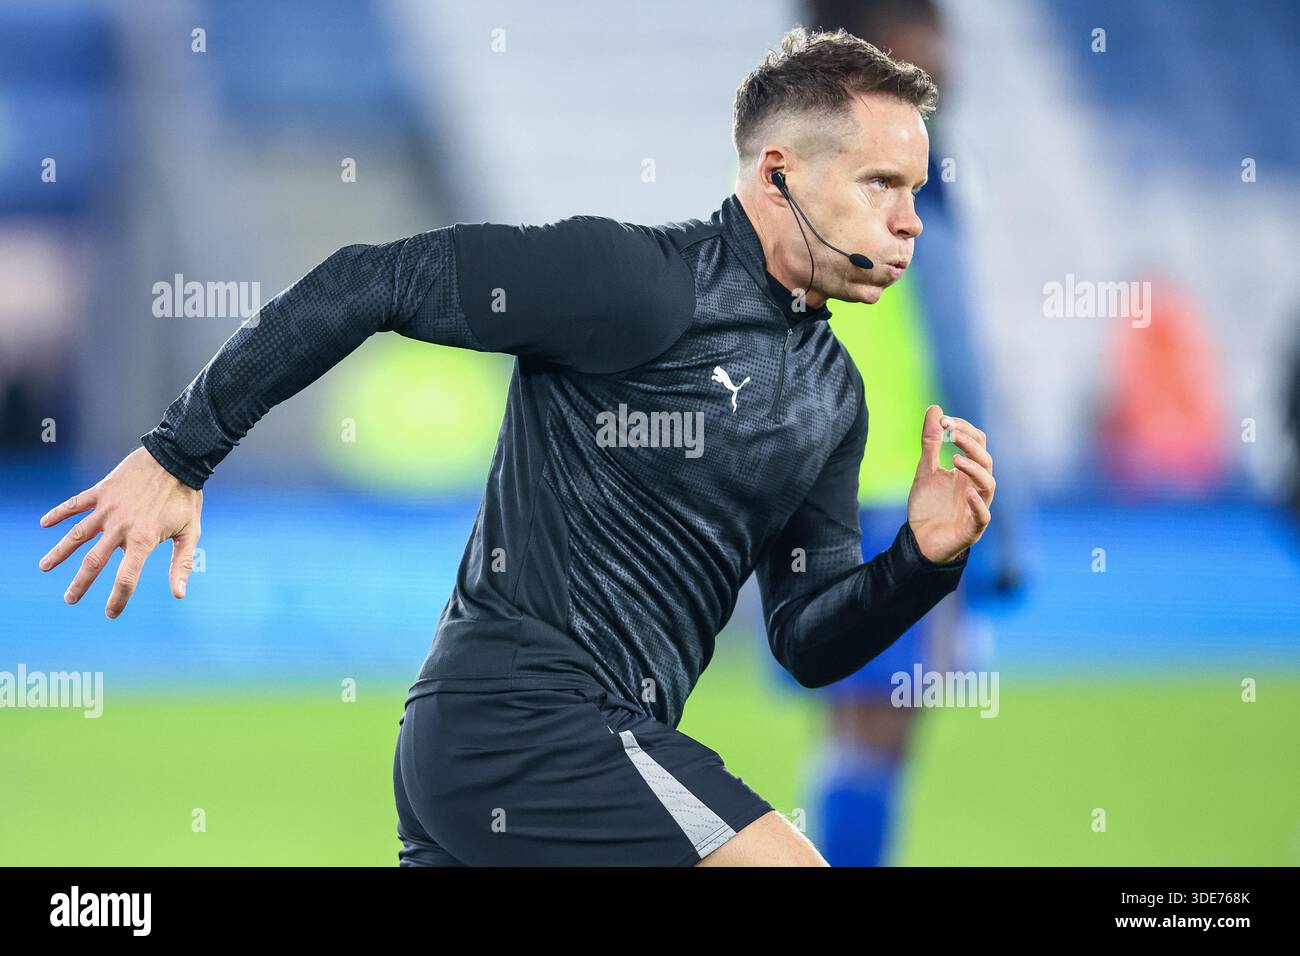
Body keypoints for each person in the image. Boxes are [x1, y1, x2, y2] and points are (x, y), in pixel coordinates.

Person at [36, 28, 995, 866]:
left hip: (526, 761)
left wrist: (921, 562)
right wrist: (178, 454)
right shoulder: (640, 283)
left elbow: (807, 642)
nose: (909, 219)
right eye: (881, 184)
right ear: (780, 173)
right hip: (529, 723)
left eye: (914, 188)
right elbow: (374, 278)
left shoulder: (834, 396)